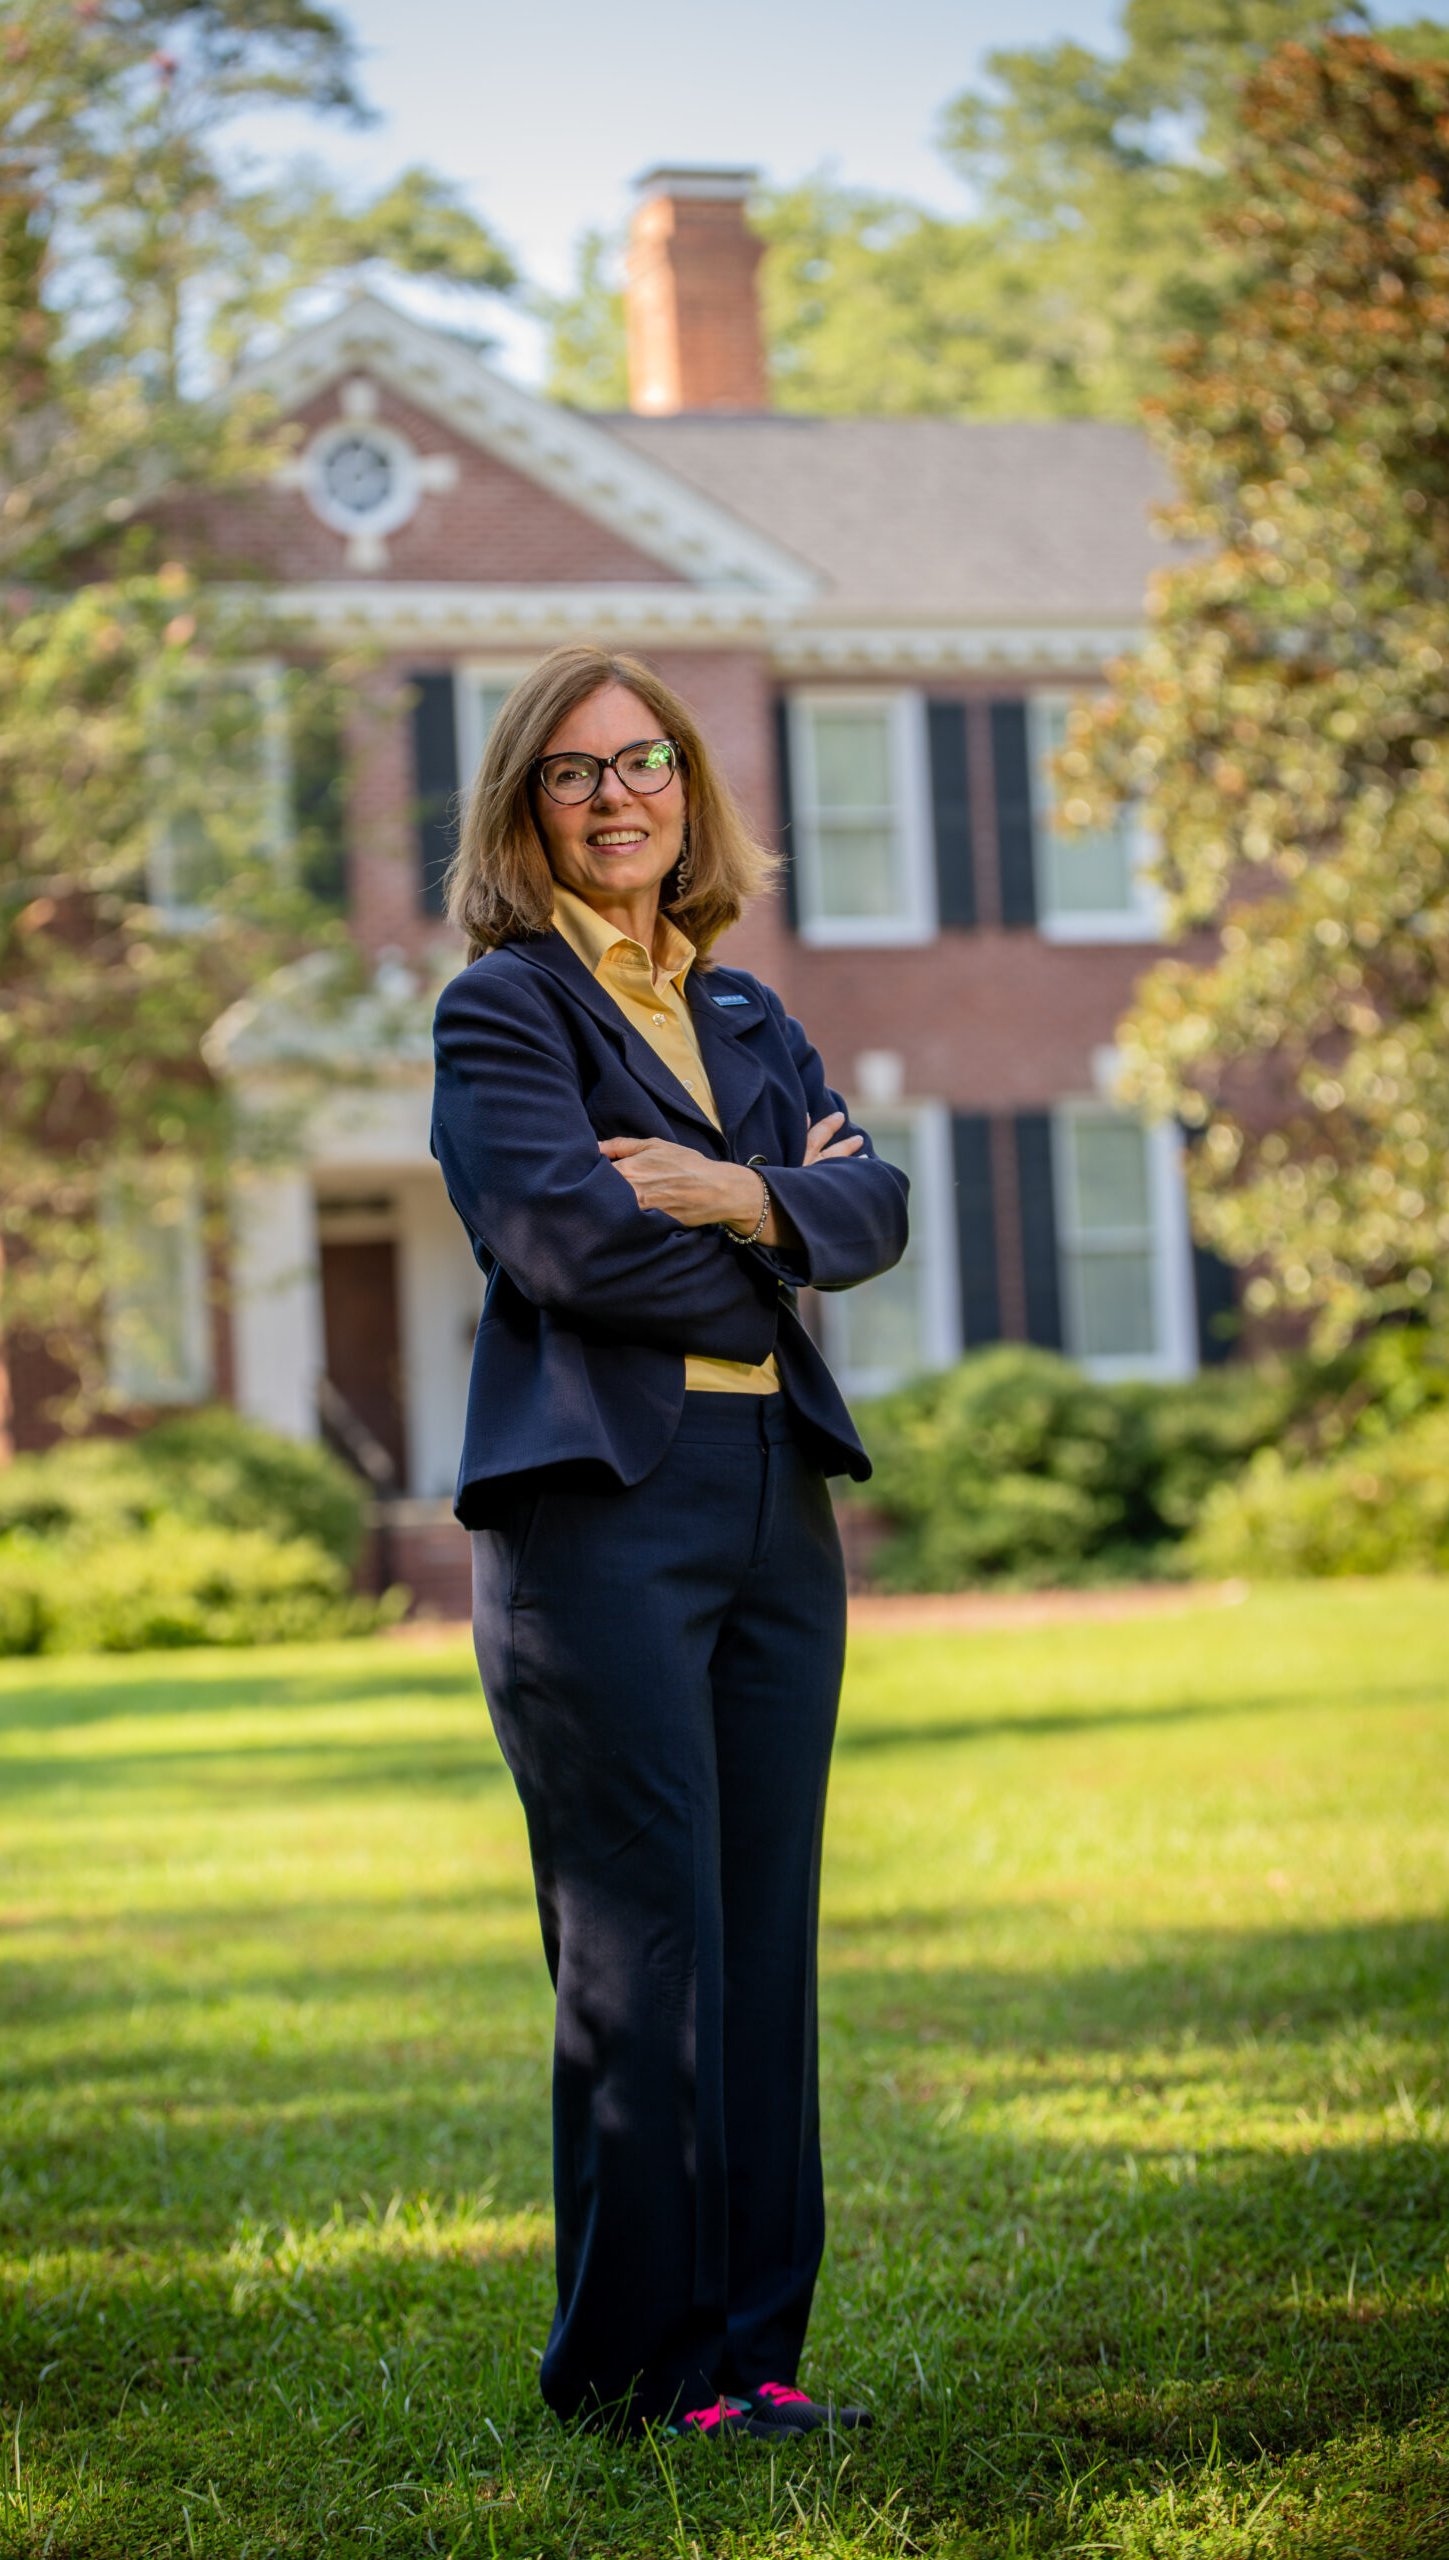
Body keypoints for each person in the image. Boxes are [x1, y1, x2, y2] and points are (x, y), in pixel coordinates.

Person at [430, 646, 909, 2441]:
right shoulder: (504, 1012)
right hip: (599, 1516)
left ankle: (755, 2360)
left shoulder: (750, 1015)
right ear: (525, 807)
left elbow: (880, 1205)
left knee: (764, 1931)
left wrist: (740, 1189)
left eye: (646, 765)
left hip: (776, 1493)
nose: (619, 796)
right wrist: (784, 1219)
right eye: (575, 773)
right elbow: (562, 1247)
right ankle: (634, 2372)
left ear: (688, 791)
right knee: (646, 1948)